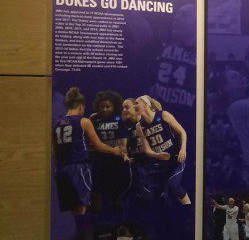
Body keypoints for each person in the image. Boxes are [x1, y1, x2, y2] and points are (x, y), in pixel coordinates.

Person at [54, 87, 125, 215]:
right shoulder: (84, 121)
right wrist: (114, 150)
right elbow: (98, 145)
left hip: (61, 169)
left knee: (72, 208)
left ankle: (78, 233)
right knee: (81, 207)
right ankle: (85, 233)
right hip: (78, 168)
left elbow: (53, 151)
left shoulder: (57, 123)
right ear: (81, 106)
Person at [134, 95, 190, 205]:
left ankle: (188, 206)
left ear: (145, 105)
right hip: (160, 163)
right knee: (150, 194)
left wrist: (183, 149)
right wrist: (157, 155)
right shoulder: (139, 126)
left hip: (175, 159)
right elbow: (147, 150)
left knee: (173, 185)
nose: (134, 106)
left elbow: (182, 132)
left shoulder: (163, 115)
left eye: (137, 103)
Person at [89, 90, 129, 211]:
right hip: (100, 154)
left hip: (116, 154)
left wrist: (124, 150)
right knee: (96, 180)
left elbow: (123, 136)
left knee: (118, 178)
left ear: (114, 106)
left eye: (108, 106)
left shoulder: (118, 117)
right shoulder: (94, 118)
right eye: (102, 107)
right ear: (98, 107)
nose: (105, 109)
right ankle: (96, 207)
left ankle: (116, 201)